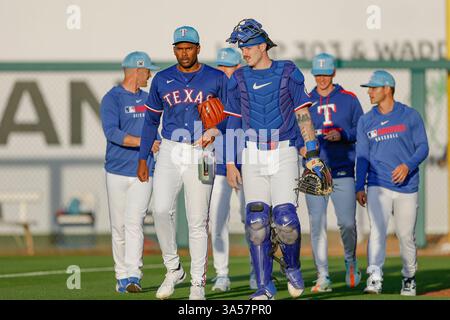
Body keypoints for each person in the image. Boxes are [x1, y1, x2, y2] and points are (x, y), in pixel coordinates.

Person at [224, 19, 326, 300]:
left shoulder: (288, 71)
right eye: (240, 47)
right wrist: (230, 162)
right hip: (252, 153)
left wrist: (313, 152)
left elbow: (302, 113)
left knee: (286, 221)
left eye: (246, 46)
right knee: (256, 222)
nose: (242, 52)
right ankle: (264, 285)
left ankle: (292, 266)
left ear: (261, 45)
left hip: (284, 151)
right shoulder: (238, 79)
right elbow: (232, 124)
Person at [137, 26, 228, 300]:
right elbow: (152, 120)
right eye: (179, 47)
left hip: (203, 152)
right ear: (173, 49)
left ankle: (197, 283)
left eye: (189, 47)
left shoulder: (216, 77)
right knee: (161, 210)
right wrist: (142, 156)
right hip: (170, 149)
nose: (184, 52)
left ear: (198, 48)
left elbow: (231, 114)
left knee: (198, 220)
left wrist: (215, 130)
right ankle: (173, 268)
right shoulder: (163, 79)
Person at [356, 70, 429, 296]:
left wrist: (407, 165)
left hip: (407, 186)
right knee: (377, 230)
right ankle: (375, 276)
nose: (369, 92)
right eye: (369, 88)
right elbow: (362, 155)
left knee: (406, 235)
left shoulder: (410, 116)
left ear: (388, 89)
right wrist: (360, 185)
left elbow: (423, 147)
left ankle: (409, 277)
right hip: (378, 183)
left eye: (373, 88)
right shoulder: (366, 120)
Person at [297, 53, 363, 292]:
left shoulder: (349, 99)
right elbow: (295, 132)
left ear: (333, 73)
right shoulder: (305, 101)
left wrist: (343, 135)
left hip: (342, 169)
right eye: (318, 74)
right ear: (313, 75)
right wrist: (300, 146)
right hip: (315, 171)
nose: (322, 79)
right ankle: (322, 274)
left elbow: (361, 130)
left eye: (326, 74)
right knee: (317, 224)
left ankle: (351, 261)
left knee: (346, 223)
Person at [100, 51, 160, 293]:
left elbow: (157, 131)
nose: (150, 74)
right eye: (148, 70)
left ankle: (134, 275)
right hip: (116, 170)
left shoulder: (149, 99)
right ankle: (121, 275)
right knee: (119, 226)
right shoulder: (112, 99)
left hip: (143, 170)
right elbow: (112, 133)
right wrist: (143, 142)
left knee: (135, 222)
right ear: (137, 70)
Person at [209, 48, 257, 292]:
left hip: (245, 164)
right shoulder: (210, 96)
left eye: (227, 67)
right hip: (218, 166)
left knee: (251, 221)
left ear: (238, 68)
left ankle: (255, 271)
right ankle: (222, 275)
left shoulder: (246, 93)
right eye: (220, 67)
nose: (223, 71)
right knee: (217, 222)